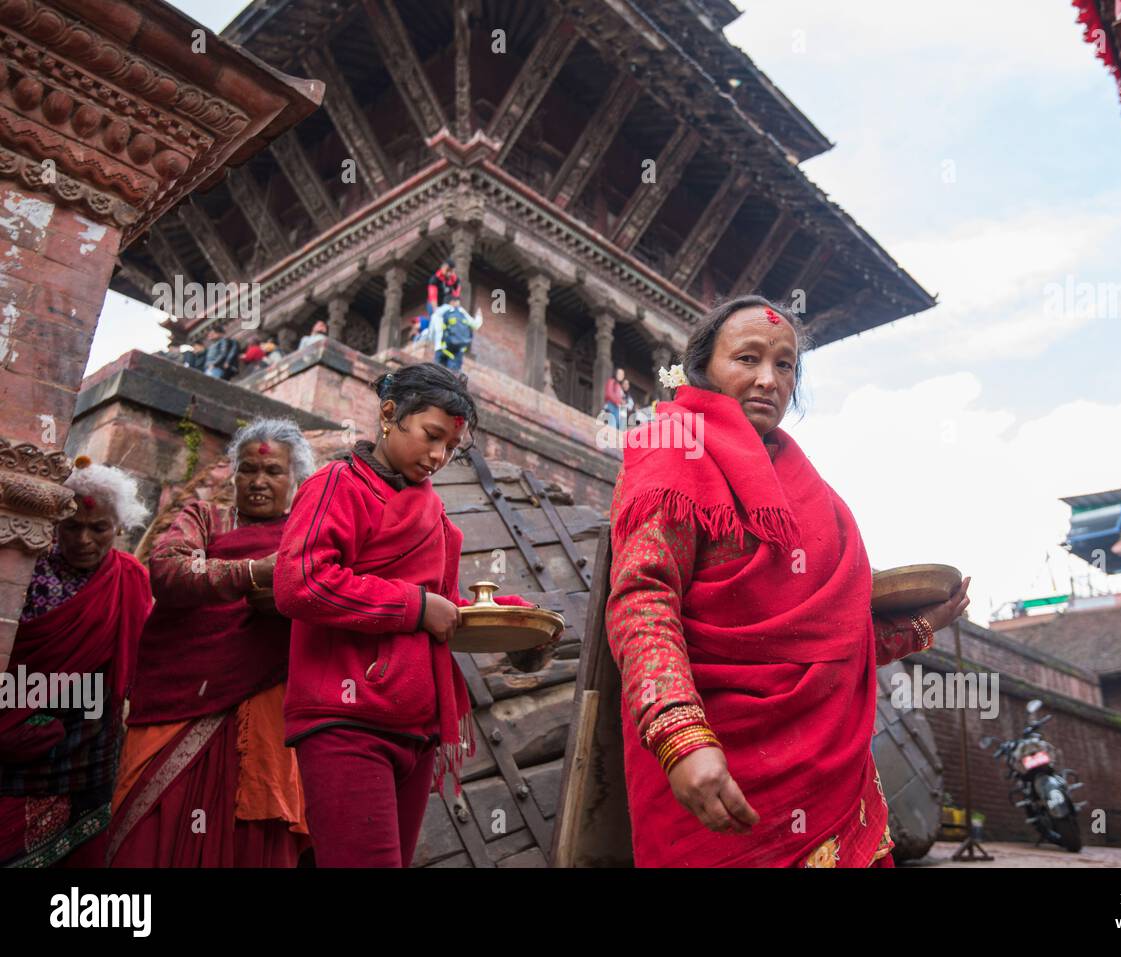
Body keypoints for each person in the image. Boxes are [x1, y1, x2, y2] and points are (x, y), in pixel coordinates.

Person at [605, 295, 971, 868]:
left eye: (785, 366)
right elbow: (643, 602)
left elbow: (834, 647)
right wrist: (680, 739)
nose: (767, 380)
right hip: (716, 763)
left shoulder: (812, 492)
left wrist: (927, 624)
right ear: (704, 369)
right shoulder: (671, 452)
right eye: (747, 359)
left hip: (833, 778)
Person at [272, 364, 539, 866]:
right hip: (346, 718)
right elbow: (301, 584)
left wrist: (510, 618)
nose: (438, 457)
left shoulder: (430, 509)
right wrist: (415, 607)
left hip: (415, 726)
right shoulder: (338, 484)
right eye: (431, 436)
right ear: (390, 415)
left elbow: (441, 608)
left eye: (451, 450)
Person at [108, 420, 317, 867]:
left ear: (294, 478)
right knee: (145, 838)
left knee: (248, 834)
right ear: (233, 475)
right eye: (247, 469)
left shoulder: (307, 535)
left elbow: (329, 595)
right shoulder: (204, 517)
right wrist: (254, 572)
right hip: (176, 697)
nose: (258, 481)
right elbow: (166, 572)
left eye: (273, 471)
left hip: (263, 702)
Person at [0, 460, 152, 867]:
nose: (84, 539)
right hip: (17, 721)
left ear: (118, 527)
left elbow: (138, 663)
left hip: (90, 739)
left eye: (98, 528)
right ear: (56, 525)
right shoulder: (26, 570)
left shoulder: (130, 579)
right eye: (72, 526)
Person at [434, 296, 480, 371]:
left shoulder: (438, 312)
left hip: (441, 347)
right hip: (458, 349)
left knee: (436, 373)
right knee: (452, 376)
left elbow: (434, 330)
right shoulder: (460, 311)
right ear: (453, 302)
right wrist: (479, 316)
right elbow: (476, 325)